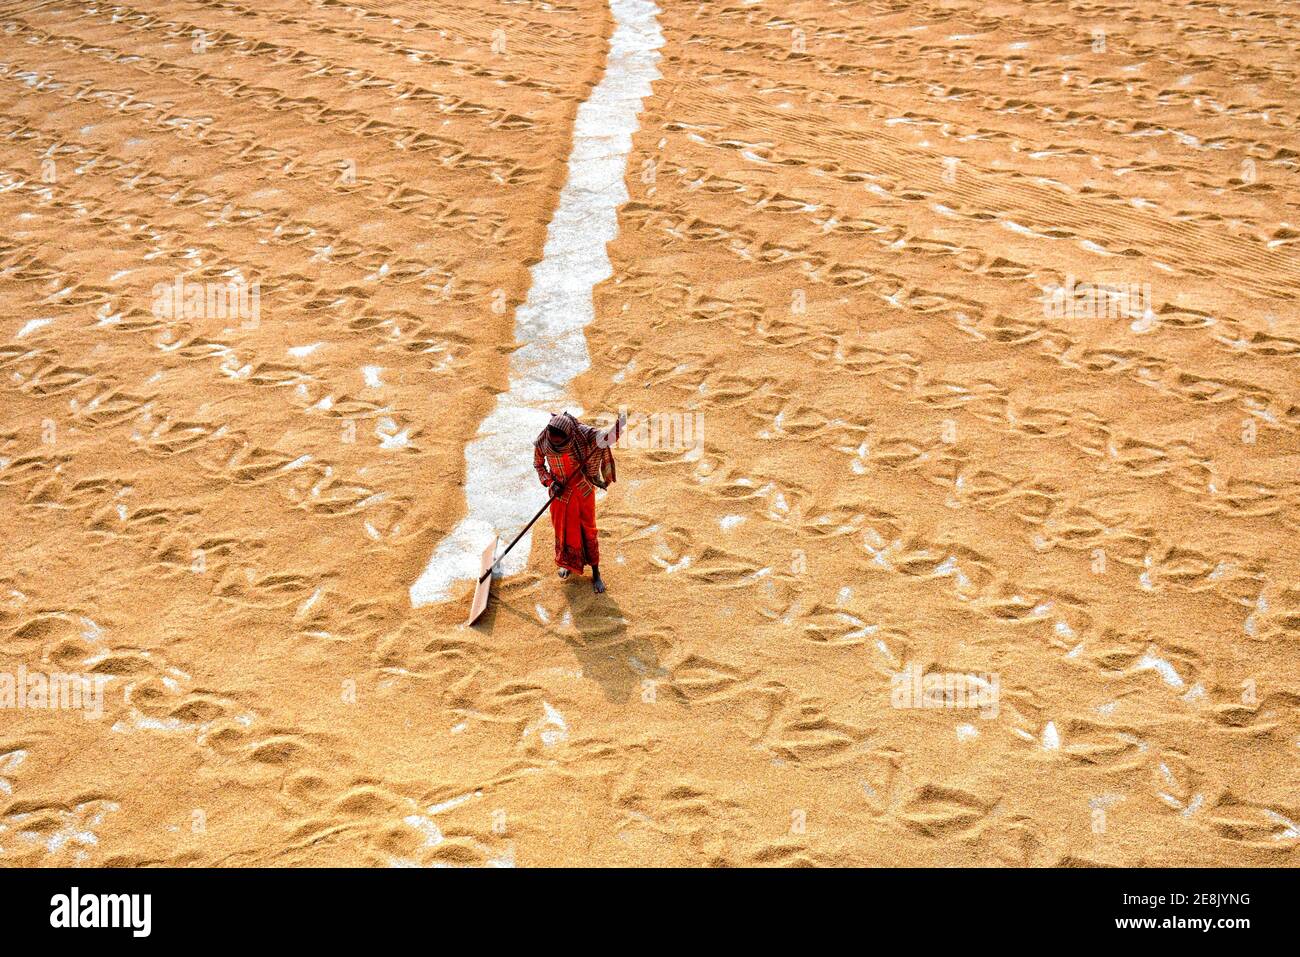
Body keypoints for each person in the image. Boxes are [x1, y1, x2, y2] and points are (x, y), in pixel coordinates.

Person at [533, 410, 624, 593]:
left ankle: (596, 573)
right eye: (553, 441)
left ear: (569, 437)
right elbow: (539, 464)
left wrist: (618, 428)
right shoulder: (543, 440)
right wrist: (551, 482)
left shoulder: (582, 434)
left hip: (582, 492)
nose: (554, 445)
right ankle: (567, 564)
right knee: (564, 530)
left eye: (559, 443)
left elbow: (604, 439)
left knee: (588, 530)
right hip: (559, 495)